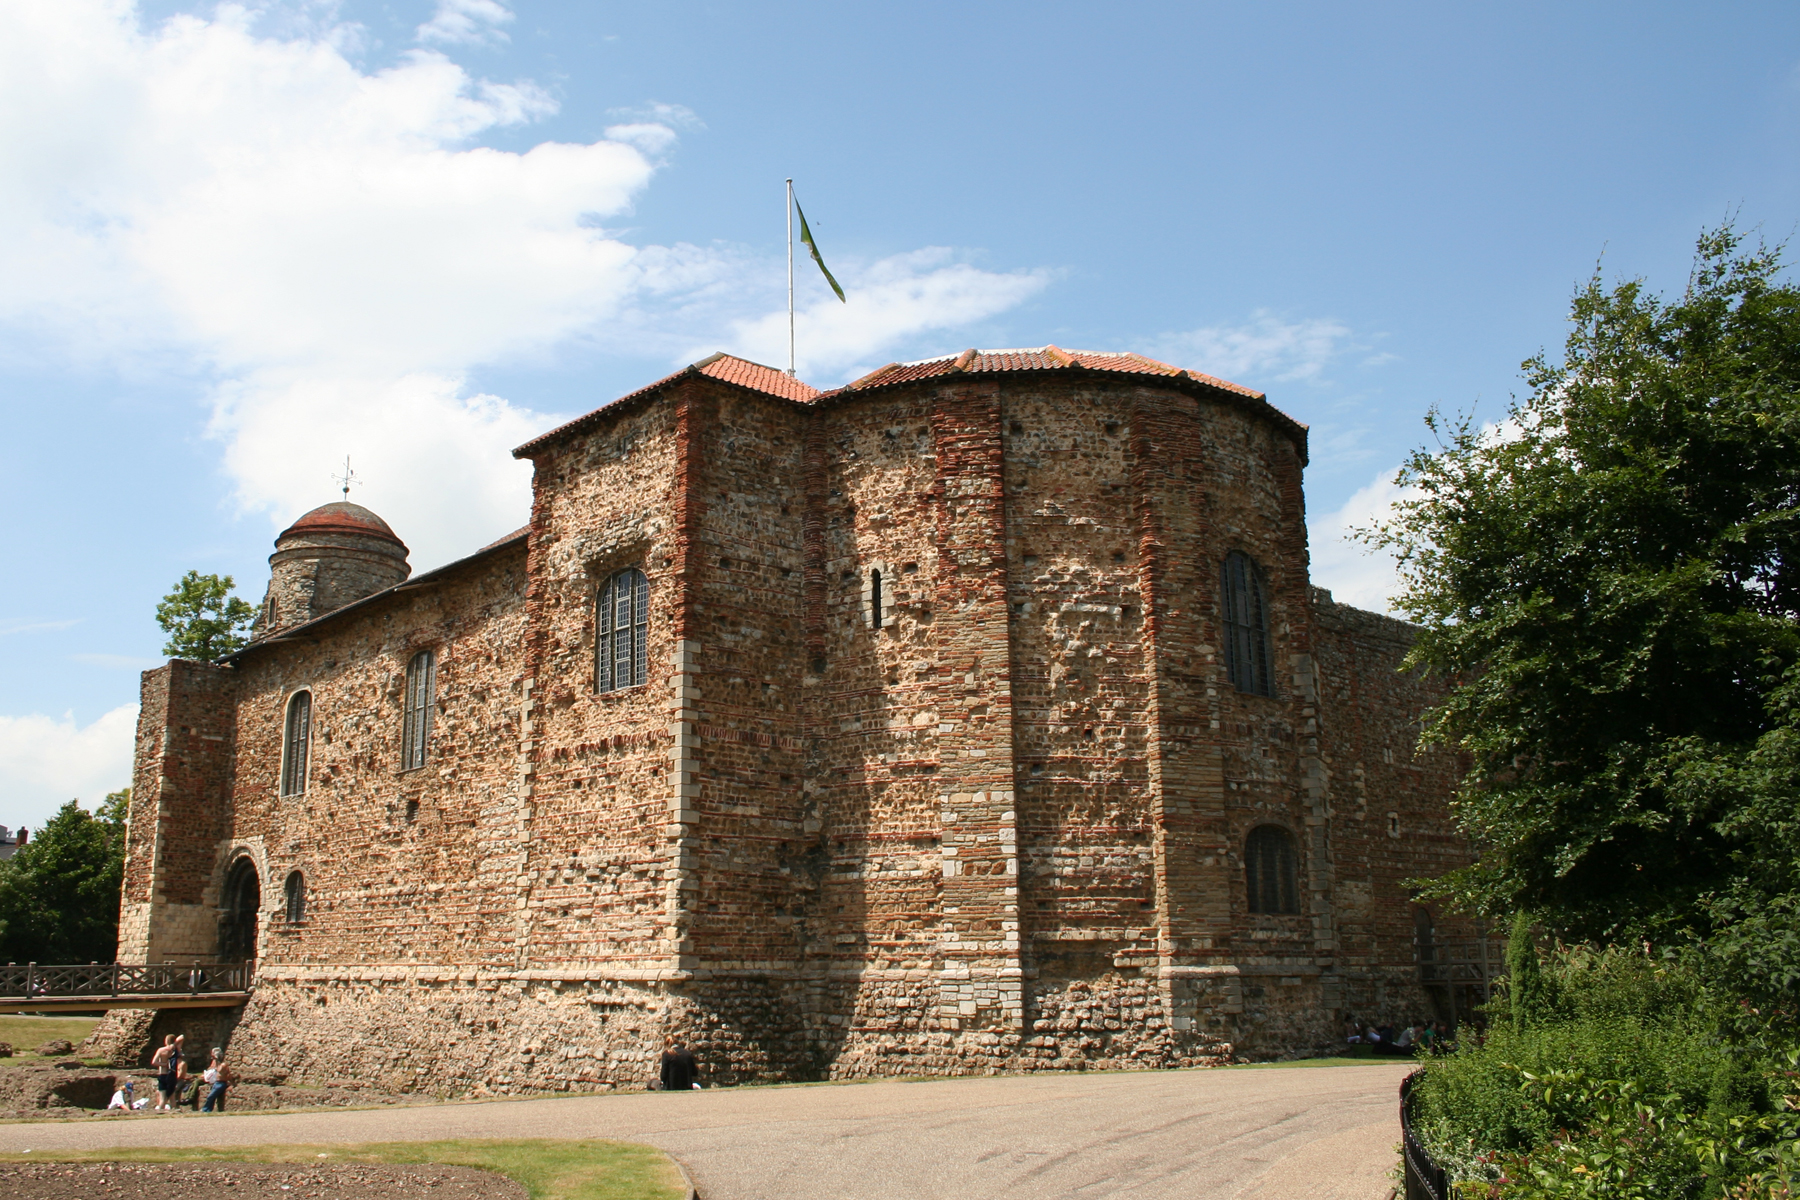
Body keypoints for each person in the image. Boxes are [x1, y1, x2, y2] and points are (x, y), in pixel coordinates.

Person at [150, 1035, 178, 1113]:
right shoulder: (174, 1050)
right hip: (171, 1075)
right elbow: (181, 1037)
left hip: (163, 1074)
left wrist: (163, 1064)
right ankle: (174, 1113)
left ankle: (160, 1113)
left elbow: (154, 1062)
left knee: (162, 1098)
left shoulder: (161, 1050)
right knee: (172, 1097)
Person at [201, 1048, 230, 1112]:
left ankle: (205, 1109)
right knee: (212, 1097)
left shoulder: (223, 1065)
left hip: (221, 1083)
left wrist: (231, 1082)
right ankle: (208, 1110)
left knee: (210, 1096)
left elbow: (228, 1074)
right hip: (216, 1082)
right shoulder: (218, 1065)